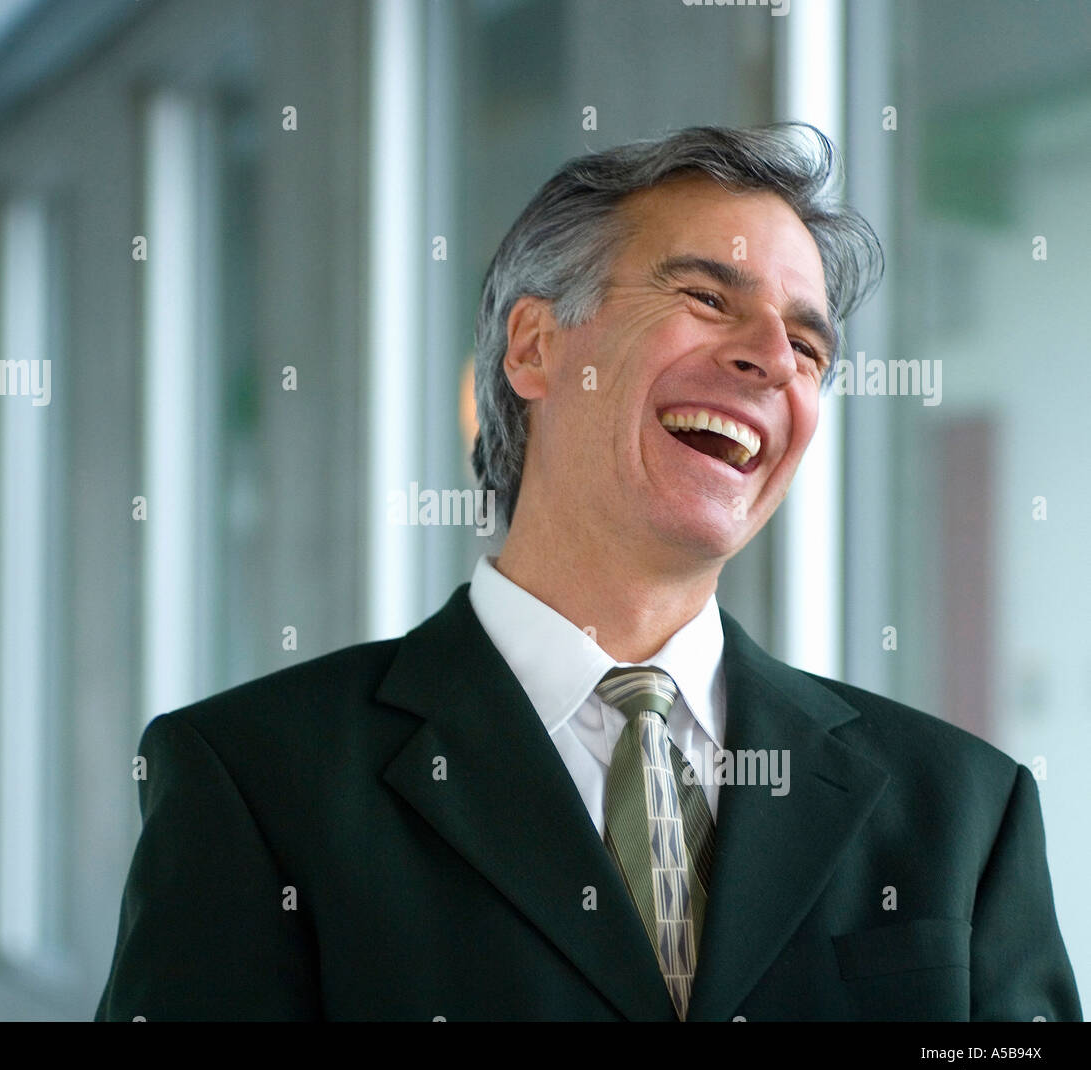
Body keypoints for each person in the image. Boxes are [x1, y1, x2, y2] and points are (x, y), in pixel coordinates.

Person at [95, 123, 1080, 1021]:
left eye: (808, 344)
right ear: (532, 346)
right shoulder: (255, 783)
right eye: (705, 298)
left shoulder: (966, 813)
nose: (774, 360)